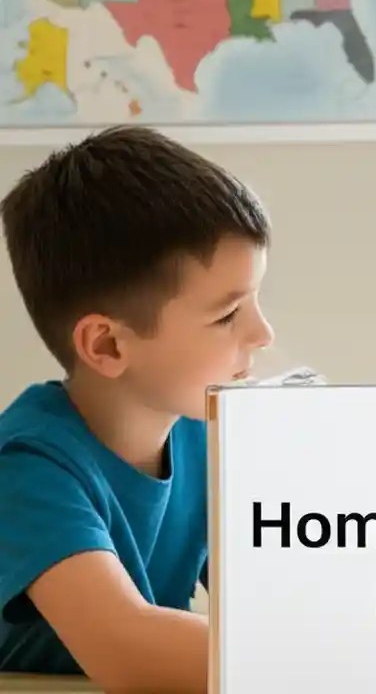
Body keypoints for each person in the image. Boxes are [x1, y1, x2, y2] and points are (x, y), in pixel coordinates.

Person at [0, 126, 274, 691]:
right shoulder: (26, 465)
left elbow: (275, 596)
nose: (263, 333)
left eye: (255, 302)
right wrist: (363, 656)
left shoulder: (206, 435)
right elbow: (128, 648)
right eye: (227, 315)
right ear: (107, 346)